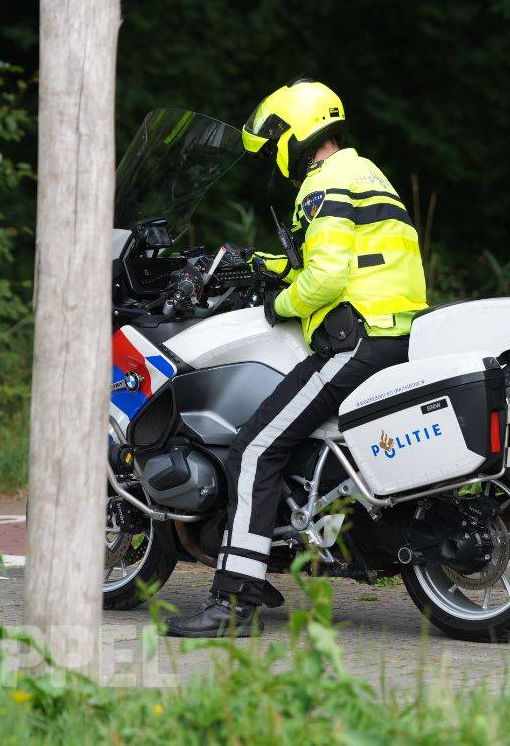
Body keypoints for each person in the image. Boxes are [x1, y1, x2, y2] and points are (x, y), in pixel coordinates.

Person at [167, 78, 427, 637]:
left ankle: (232, 602)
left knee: (255, 450)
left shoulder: (322, 186)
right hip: (392, 334)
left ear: (293, 134)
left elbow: (328, 278)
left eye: (276, 141)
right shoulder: (365, 173)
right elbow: (339, 258)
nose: (275, 157)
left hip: (355, 340)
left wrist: (277, 304)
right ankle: (259, 567)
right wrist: (263, 264)